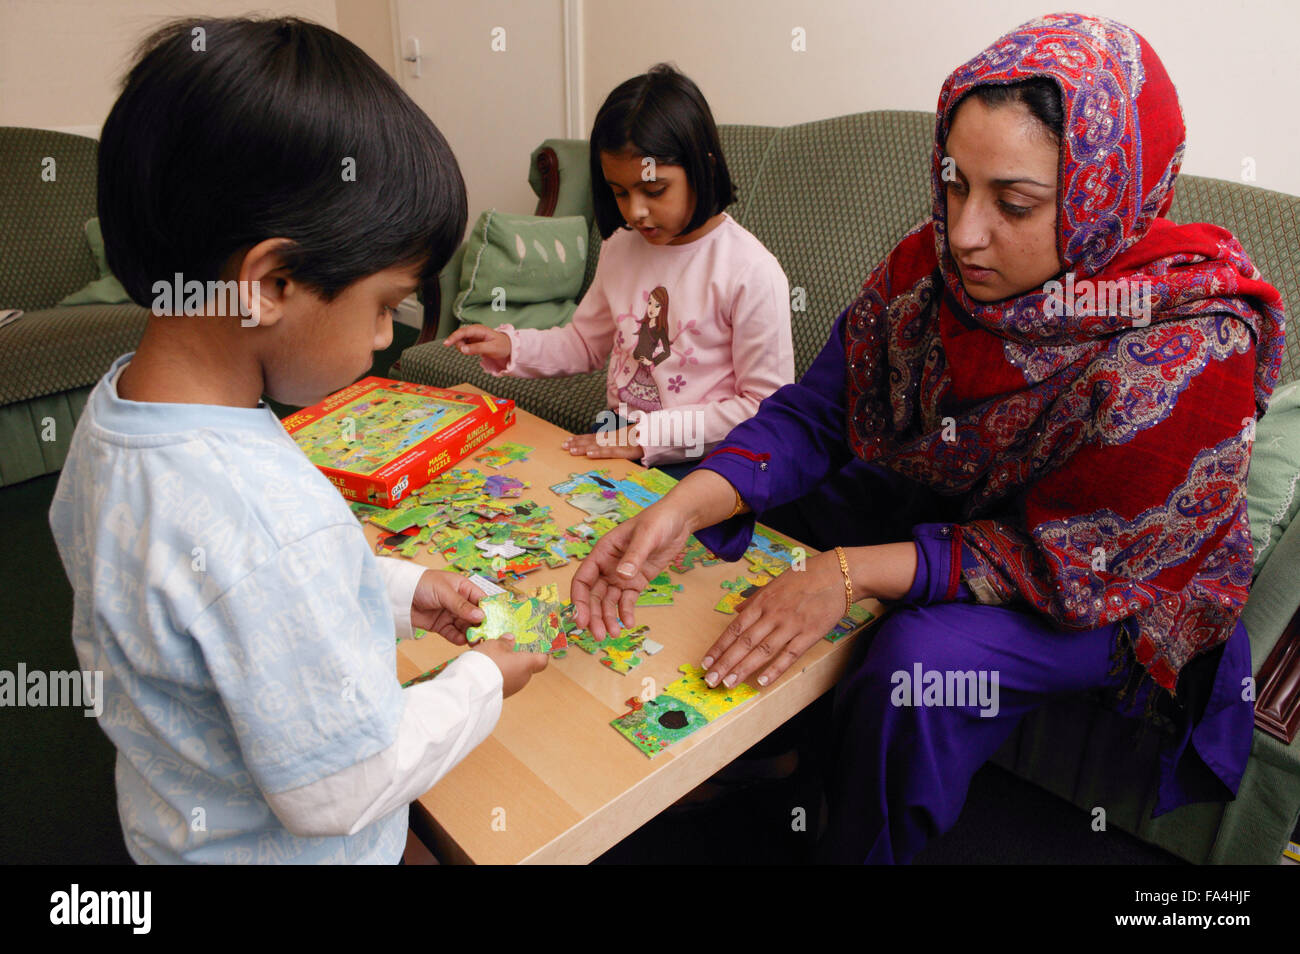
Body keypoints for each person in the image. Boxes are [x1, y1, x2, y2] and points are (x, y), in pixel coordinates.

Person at [570, 13, 1286, 863]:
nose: (967, 231)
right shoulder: (930, 269)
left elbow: (1065, 560)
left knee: (920, 663)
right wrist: (687, 500)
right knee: (765, 490)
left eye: (1013, 202)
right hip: (953, 500)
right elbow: (816, 412)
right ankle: (772, 758)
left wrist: (846, 573)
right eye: (952, 185)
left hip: (1108, 582)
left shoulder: (1189, 344)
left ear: (1104, 194)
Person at [47, 16, 547, 865]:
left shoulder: (116, 417)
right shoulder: (266, 518)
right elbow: (341, 788)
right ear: (271, 283)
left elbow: (214, 608)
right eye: (385, 304)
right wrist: (479, 684)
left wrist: (398, 591)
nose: (388, 338)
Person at [444, 64, 794, 482]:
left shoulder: (751, 270)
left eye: (654, 190)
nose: (635, 211)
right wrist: (509, 346)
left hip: (709, 463)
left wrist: (645, 437)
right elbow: (582, 344)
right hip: (615, 436)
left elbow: (763, 406)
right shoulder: (620, 248)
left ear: (703, 166)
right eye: (620, 192)